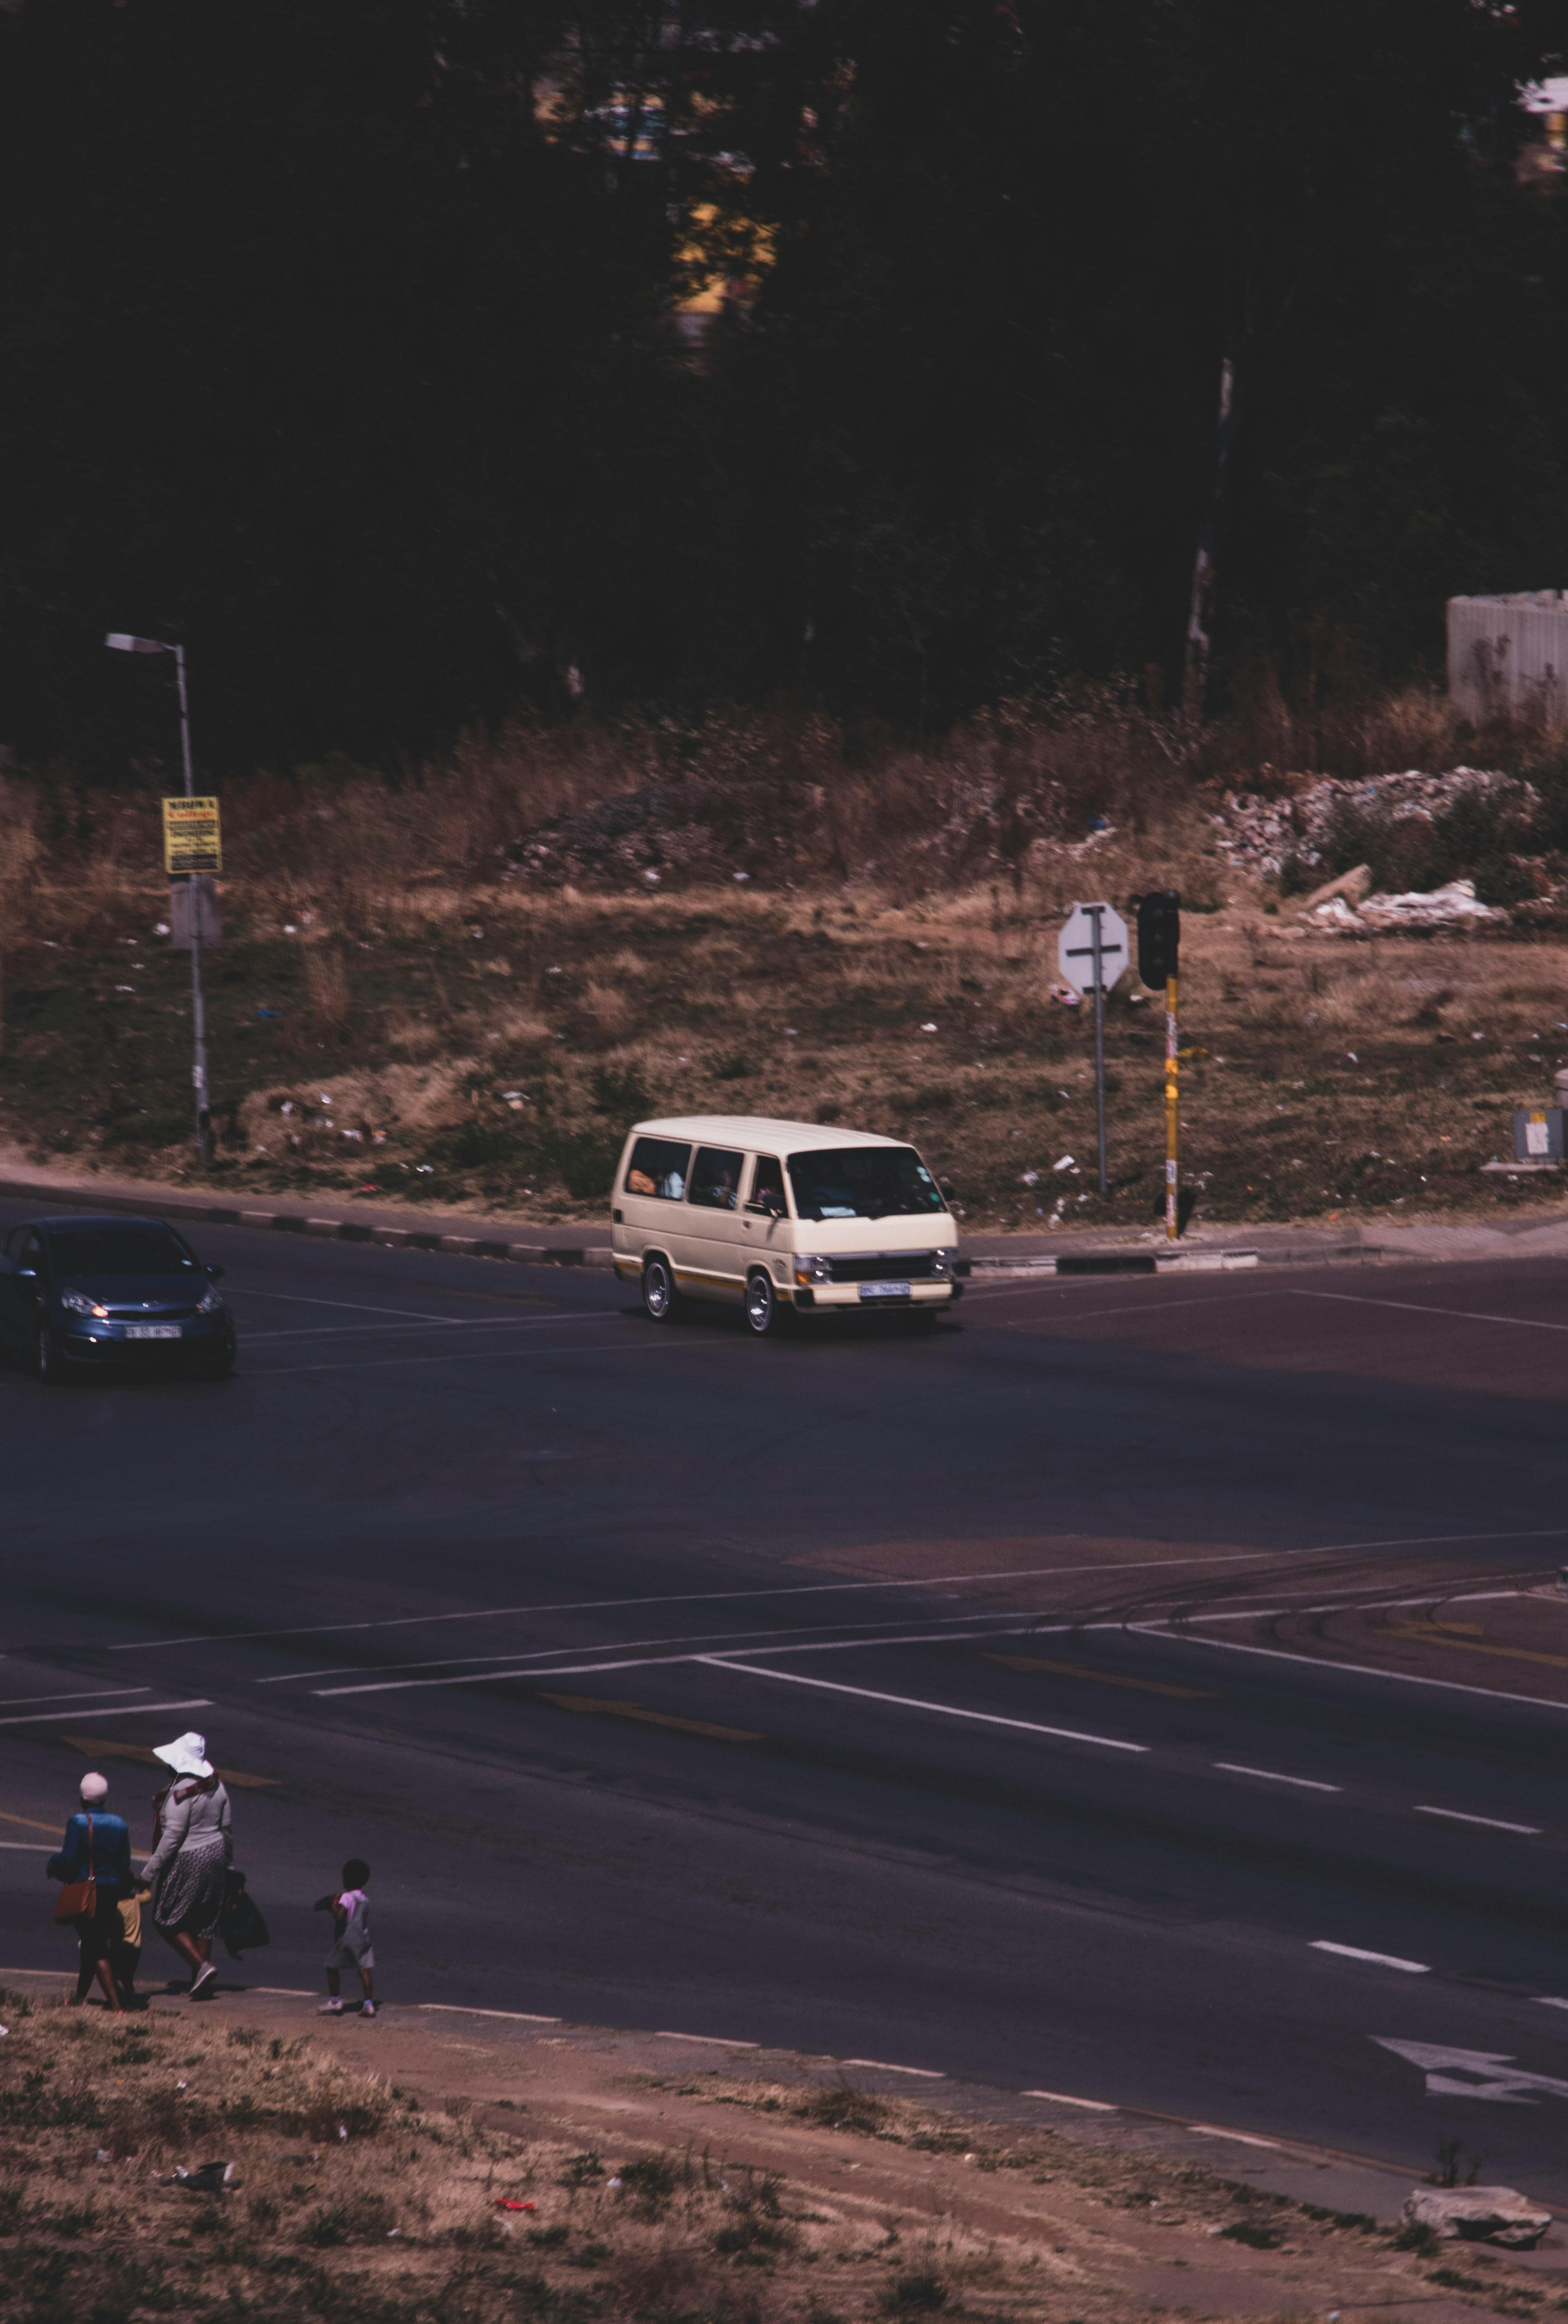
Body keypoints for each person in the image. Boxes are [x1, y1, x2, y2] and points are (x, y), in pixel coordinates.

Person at [142, 1731, 233, 1999]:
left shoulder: (179, 1795)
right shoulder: (217, 1786)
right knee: (205, 1921)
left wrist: (148, 1874)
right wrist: (229, 1862)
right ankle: (201, 1983)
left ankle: (202, 1966)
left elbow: (172, 1838)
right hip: (216, 1853)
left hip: (189, 1858)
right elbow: (226, 1828)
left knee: (166, 1918)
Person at [47, 1773, 133, 2014]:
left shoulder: (78, 1822)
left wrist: (53, 1864)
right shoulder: (119, 1823)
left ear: (84, 1798)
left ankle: (117, 2006)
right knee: (92, 1942)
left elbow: (69, 1859)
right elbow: (124, 1862)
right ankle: (80, 1998)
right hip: (111, 1889)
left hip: (88, 1890)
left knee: (94, 1946)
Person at [315, 1858, 374, 2017]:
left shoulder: (347, 1897)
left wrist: (335, 1904)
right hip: (362, 1937)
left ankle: (335, 2001)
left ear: (346, 1879)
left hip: (347, 1938)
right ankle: (369, 2004)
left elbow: (340, 1917)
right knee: (363, 1969)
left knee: (332, 1966)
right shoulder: (364, 1898)